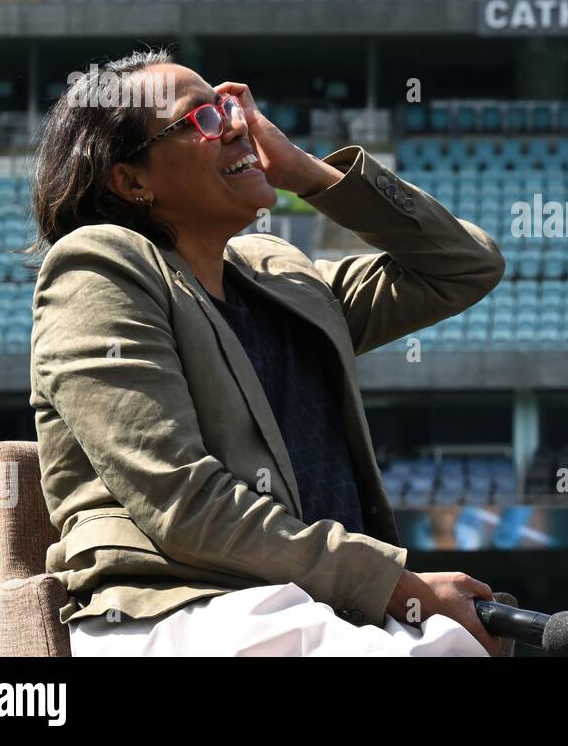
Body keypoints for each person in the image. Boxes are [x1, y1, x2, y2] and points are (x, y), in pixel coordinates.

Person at [27, 49, 507, 655]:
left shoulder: (281, 275)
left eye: (229, 106)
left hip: (317, 609)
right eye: (199, 117)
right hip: (179, 609)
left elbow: (466, 265)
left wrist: (308, 173)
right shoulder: (99, 267)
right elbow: (183, 501)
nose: (235, 124)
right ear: (132, 181)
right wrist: (392, 583)